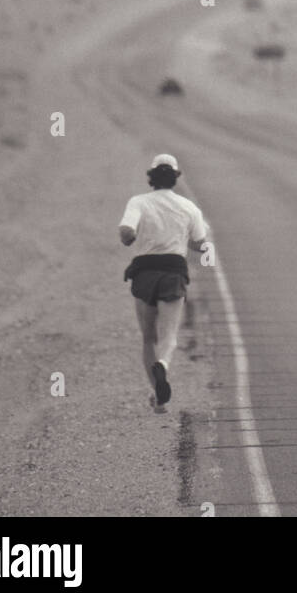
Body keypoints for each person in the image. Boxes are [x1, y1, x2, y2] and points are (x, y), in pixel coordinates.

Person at [119, 153, 210, 410]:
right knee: (169, 336)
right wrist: (185, 239)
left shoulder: (138, 202)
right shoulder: (189, 207)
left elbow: (126, 232)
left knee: (148, 337)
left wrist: (129, 238)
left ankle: (157, 398)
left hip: (144, 271)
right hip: (173, 271)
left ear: (152, 177)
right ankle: (164, 365)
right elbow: (200, 244)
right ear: (175, 177)